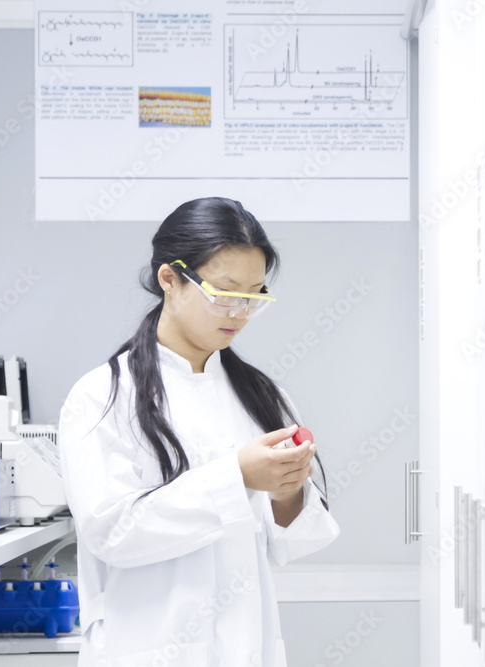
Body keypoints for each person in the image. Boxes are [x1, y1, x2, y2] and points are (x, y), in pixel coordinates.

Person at [57, 197, 340, 666]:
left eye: (253, 296)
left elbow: (294, 541)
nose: (239, 312)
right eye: (224, 292)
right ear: (170, 279)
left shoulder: (261, 396)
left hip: (247, 648)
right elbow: (110, 533)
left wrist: (287, 489)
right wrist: (237, 477)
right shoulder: (103, 396)